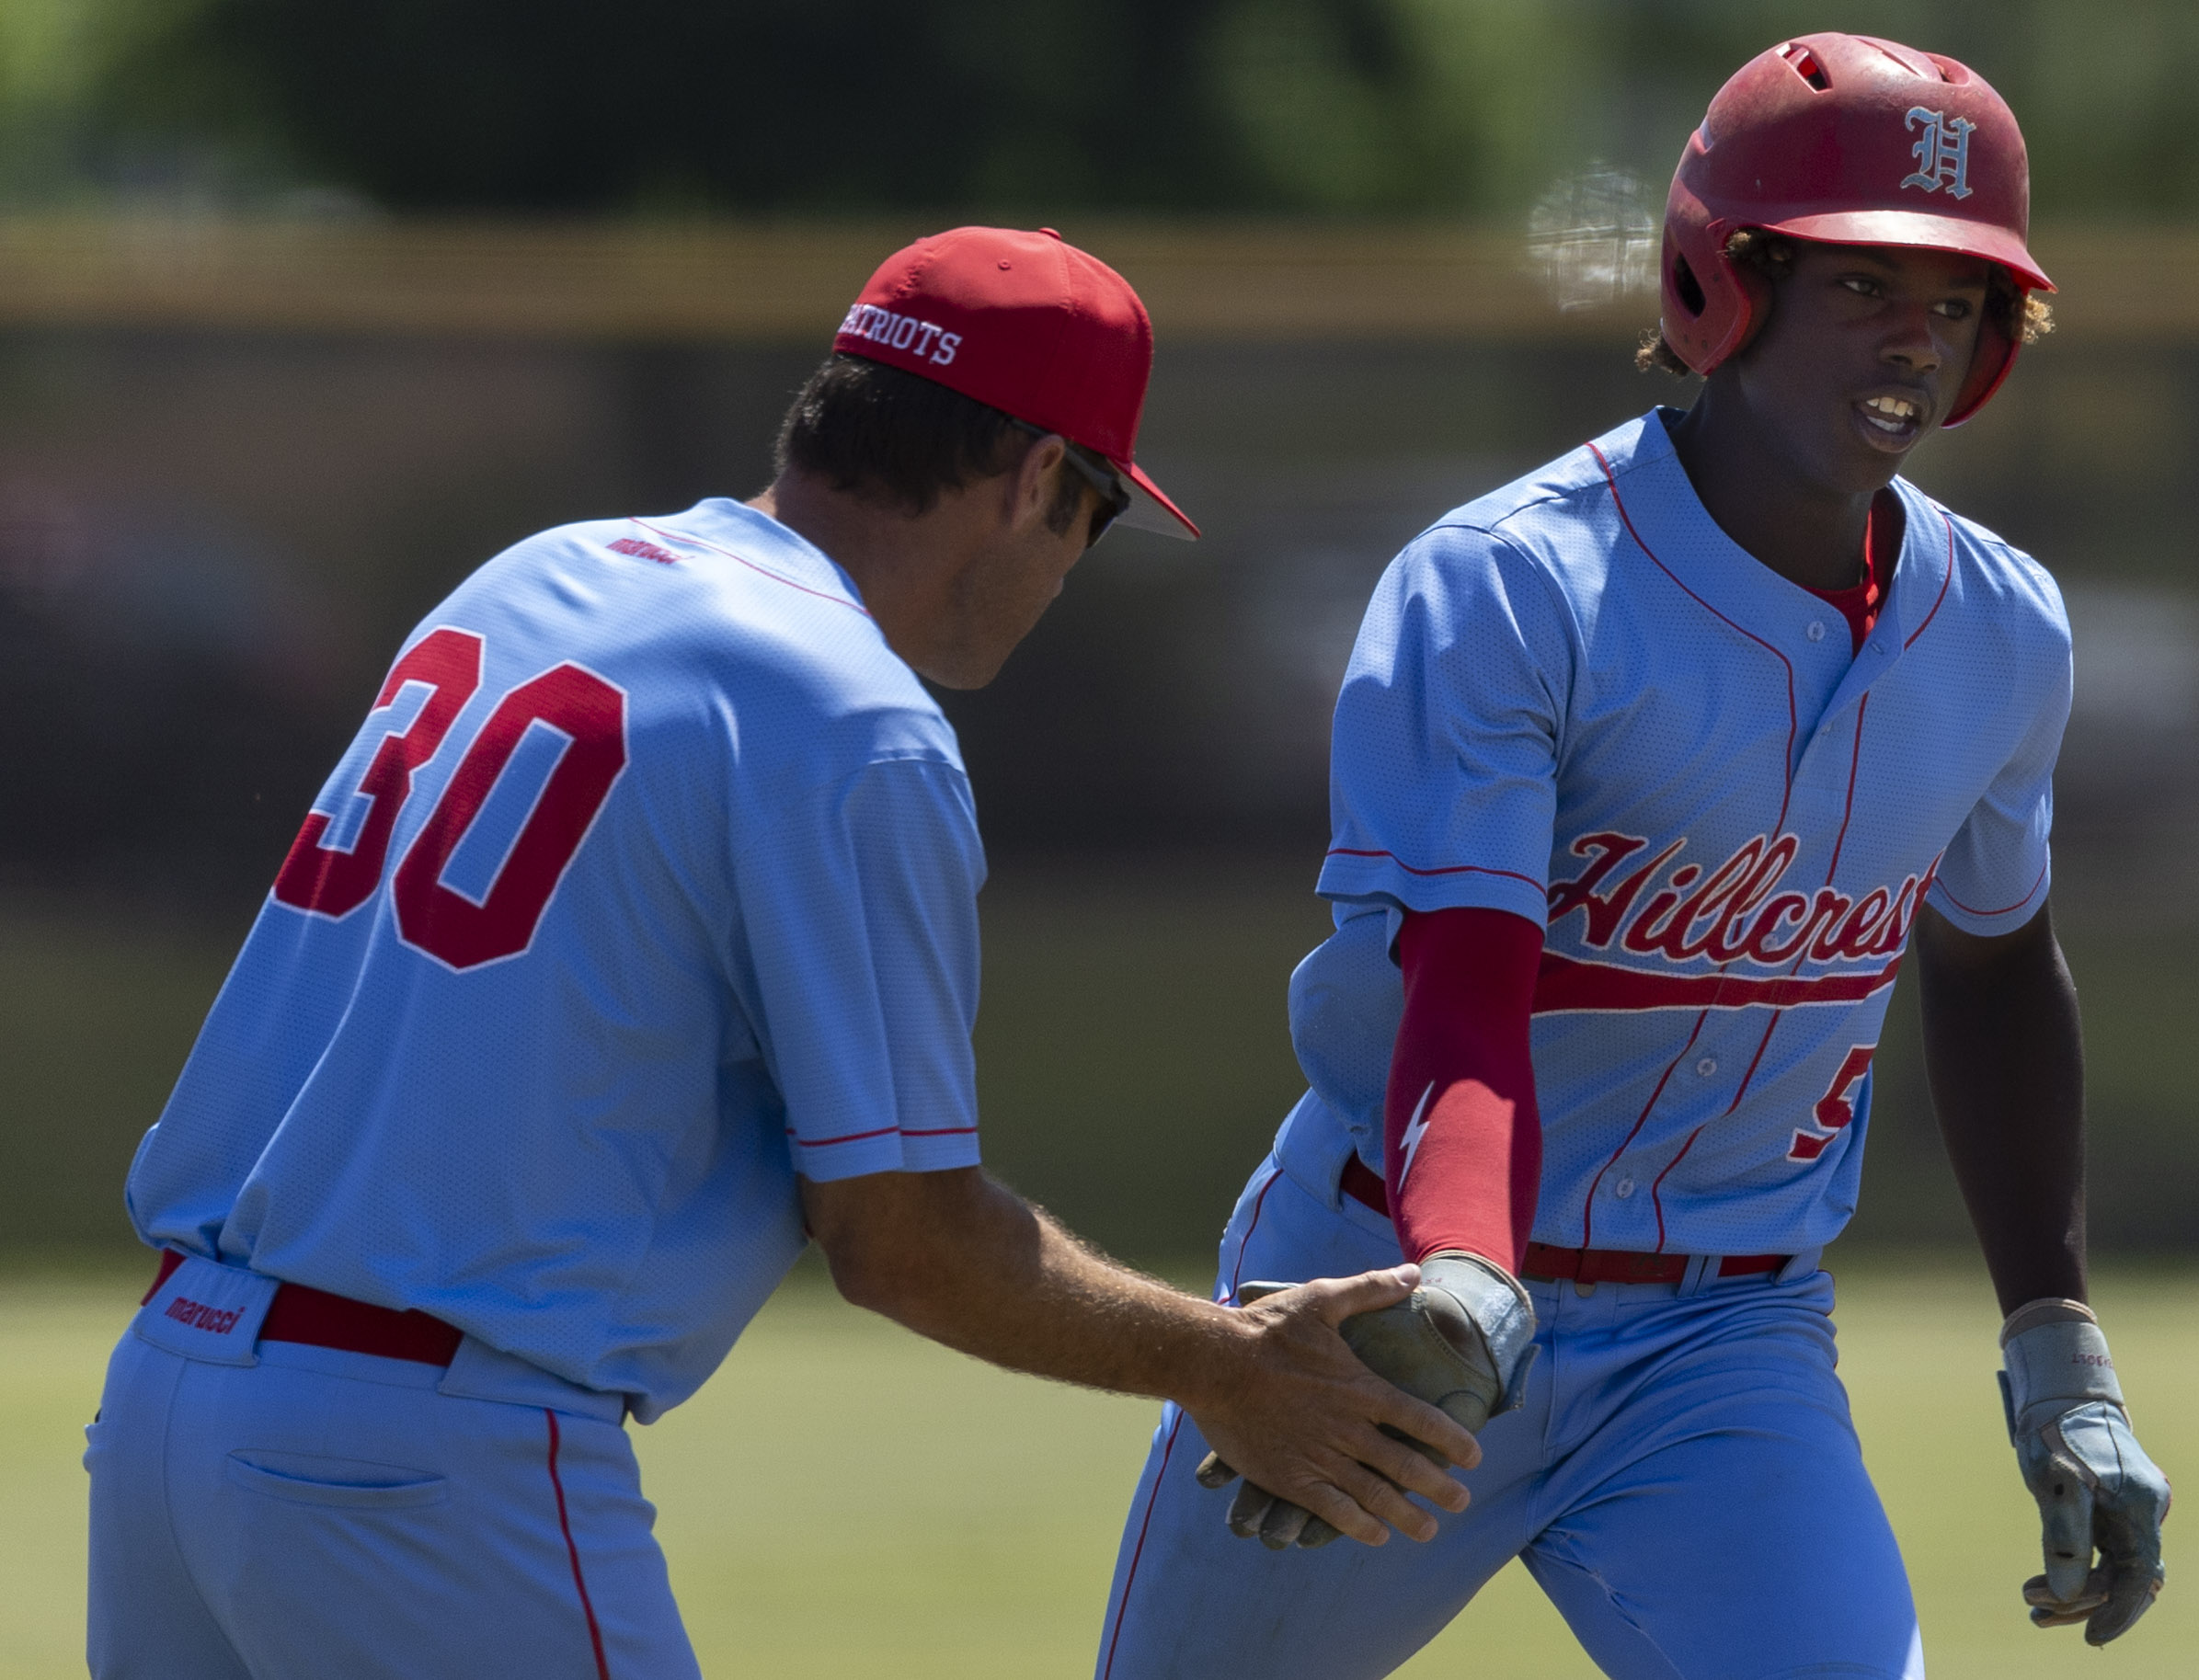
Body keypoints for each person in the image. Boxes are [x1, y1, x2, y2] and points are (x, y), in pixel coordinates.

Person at [85, 224, 1481, 1680]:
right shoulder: (849, 718)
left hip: (171, 1398)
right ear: (1028, 481)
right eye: (1098, 511)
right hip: (420, 1455)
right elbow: (904, 1243)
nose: (1072, 561)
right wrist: (1224, 1365)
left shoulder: (541, 575)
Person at [1094, 35, 2170, 1680]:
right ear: (1718, 284)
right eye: (1865, 282)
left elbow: (1997, 959)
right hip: (1388, 1299)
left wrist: (2060, 1350)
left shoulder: (2003, 628)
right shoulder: (1512, 589)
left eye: (1956, 302)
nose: (1915, 340)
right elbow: (1465, 987)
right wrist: (1459, 1277)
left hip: (1723, 1337)